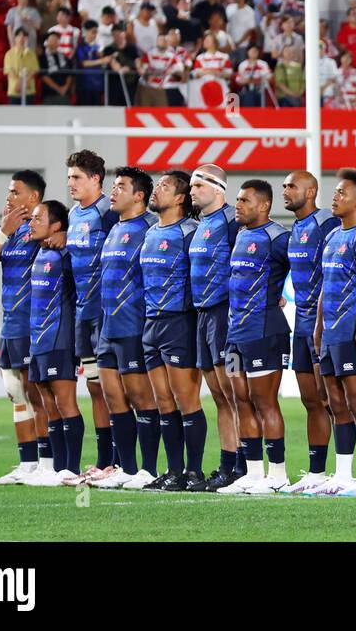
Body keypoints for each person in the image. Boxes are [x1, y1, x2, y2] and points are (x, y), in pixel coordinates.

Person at [0, 170, 56, 485]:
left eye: (14, 192)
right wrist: (3, 231)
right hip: (10, 324)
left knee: (38, 395)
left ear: (33, 197)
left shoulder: (41, 229)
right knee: (15, 394)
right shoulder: (7, 231)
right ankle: (26, 465)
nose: (8, 197)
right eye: (9, 192)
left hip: (33, 324)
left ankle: (47, 465)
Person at [217, 180, 292, 494]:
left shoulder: (279, 237)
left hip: (264, 331)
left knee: (264, 402)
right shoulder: (240, 235)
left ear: (263, 205)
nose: (238, 205)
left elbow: (305, 269)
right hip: (236, 333)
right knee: (241, 401)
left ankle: (278, 475)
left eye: (245, 200)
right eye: (237, 199)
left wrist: (282, 295)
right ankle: (253, 473)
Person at [91, 167, 161, 490]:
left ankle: (147, 469)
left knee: (140, 398)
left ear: (139, 196)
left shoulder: (150, 227)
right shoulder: (113, 230)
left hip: (134, 325)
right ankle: (126, 469)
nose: (113, 192)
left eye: (121, 186)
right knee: (113, 399)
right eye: (113, 186)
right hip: (107, 327)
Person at [313, 169, 356, 496]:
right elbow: (326, 287)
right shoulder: (332, 236)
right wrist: (317, 328)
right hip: (330, 334)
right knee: (335, 404)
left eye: (341, 193)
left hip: (352, 333)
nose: (334, 198)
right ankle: (342, 475)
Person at [136, 171, 202, 491]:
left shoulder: (191, 232)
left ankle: (194, 472)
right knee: (163, 401)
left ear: (179, 198)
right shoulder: (150, 233)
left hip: (179, 321)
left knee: (186, 399)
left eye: (164, 186)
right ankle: (173, 471)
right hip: (151, 323)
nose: (156, 189)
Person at [279, 171, 342, 495]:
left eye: (292, 186)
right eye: (285, 186)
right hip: (300, 325)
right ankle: (317, 472)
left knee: (333, 400)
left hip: (325, 326)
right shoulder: (295, 230)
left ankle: (349, 472)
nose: (286, 191)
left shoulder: (326, 225)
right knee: (311, 400)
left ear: (312, 190)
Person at [62, 150, 119, 485]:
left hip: (107, 312)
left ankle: (119, 460)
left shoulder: (107, 213)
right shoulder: (73, 214)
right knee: (95, 388)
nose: (71, 183)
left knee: (114, 389)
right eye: (69, 177)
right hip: (85, 312)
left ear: (96, 179)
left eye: (77, 177)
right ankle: (103, 461)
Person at [186, 165, 243, 491]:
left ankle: (242, 466)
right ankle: (226, 466)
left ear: (217, 188)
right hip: (202, 316)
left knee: (234, 394)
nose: (192, 191)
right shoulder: (200, 225)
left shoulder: (232, 222)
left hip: (224, 316)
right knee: (220, 397)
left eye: (197, 185)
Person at [24, 199, 83, 482]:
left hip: (60, 336)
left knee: (65, 403)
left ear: (56, 226)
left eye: (38, 218)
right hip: (37, 339)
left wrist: (69, 238)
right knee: (48, 405)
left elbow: (88, 250)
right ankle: (58, 468)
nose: (31, 223)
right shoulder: (39, 251)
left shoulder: (66, 254)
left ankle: (72, 467)